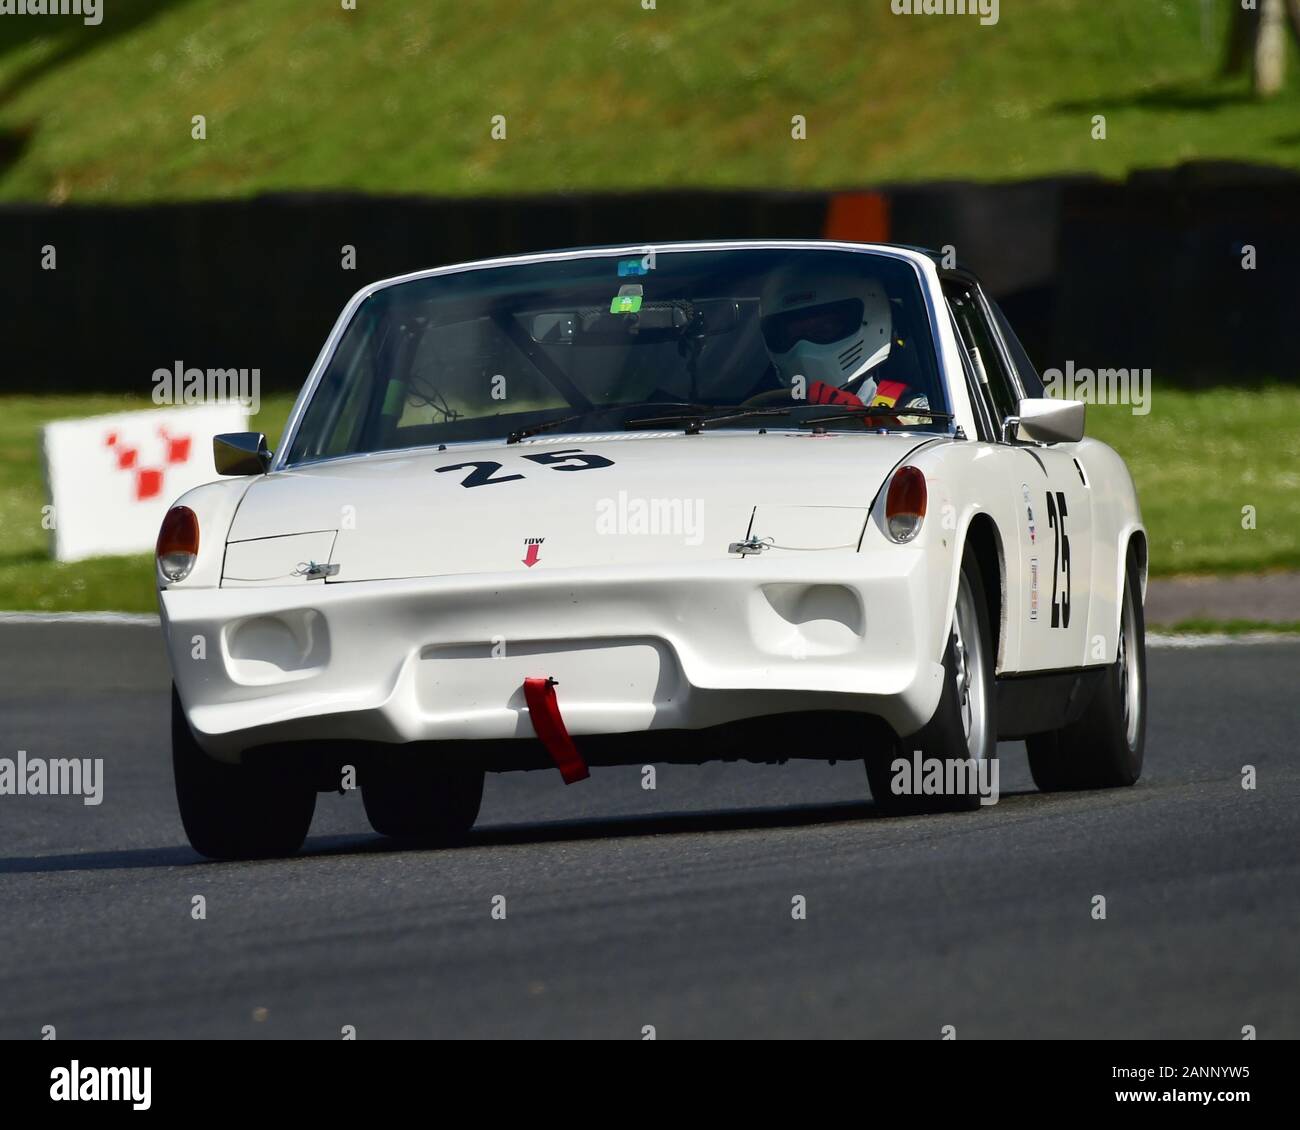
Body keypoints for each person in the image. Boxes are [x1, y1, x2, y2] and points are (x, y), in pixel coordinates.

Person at [756, 266, 931, 420]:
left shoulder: (917, 413)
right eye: (791, 333)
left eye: (823, 328)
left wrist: (867, 421)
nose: (802, 351)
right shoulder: (756, 416)